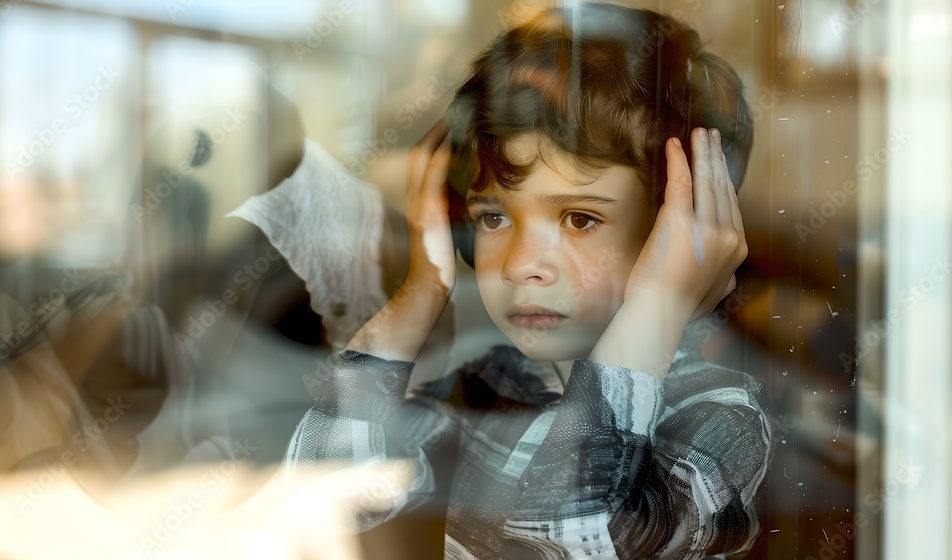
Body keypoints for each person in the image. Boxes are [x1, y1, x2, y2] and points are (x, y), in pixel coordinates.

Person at [286, 4, 774, 558]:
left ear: (681, 232)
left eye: (580, 218)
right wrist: (421, 288)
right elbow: (329, 486)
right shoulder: (495, 385)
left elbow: (576, 538)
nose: (521, 264)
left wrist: (659, 303)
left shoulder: (718, 417)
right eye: (493, 218)